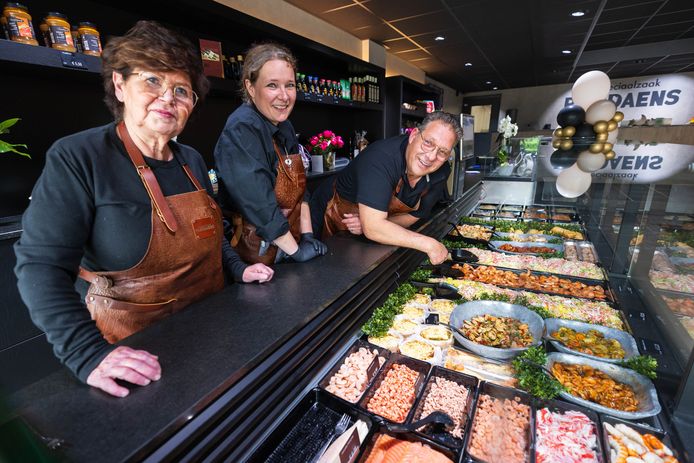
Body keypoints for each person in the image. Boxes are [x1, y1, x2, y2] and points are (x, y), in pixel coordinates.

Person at [14, 21, 274, 398]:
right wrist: (87, 354)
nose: (167, 98)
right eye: (152, 80)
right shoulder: (78, 156)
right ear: (120, 85)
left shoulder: (192, 161)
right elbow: (40, 267)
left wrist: (239, 268)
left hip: (212, 329)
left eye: (181, 90)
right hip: (134, 350)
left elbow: (211, 234)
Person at [214, 43, 327, 266]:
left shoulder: (284, 126)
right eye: (272, 85)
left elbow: (300, 188)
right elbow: (258, 203)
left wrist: (307, 236)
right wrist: (297, 252)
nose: (284, 96)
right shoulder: (242, 127)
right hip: (254, 256)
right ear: (250, 87)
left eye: (290, 85)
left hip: (286, 244)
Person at [310, 111, 462, 265]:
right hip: (331, 213)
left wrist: (374, 223)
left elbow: (414, 216)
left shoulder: (441, 172)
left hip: (365, 231)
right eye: (428, 142)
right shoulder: (381, 158)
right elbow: (374, 228)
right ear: (414, 135)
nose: (431, 157)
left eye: (442, 152)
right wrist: (429, 244)